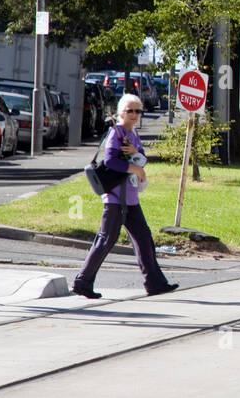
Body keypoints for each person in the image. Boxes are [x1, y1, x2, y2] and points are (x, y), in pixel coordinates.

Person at [72, 94, 178, 299]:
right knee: (105, 240)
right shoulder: (116, 133)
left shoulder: (133, 134)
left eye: (138, 111)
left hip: (130, 198)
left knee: (144, 239)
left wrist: (136, 155)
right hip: (115, 198)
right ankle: (82, 282)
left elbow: (142, 158)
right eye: (130, 111)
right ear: (121, 112)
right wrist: (135, 169)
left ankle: (155, 283)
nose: (134, 115)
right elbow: (111, 161)